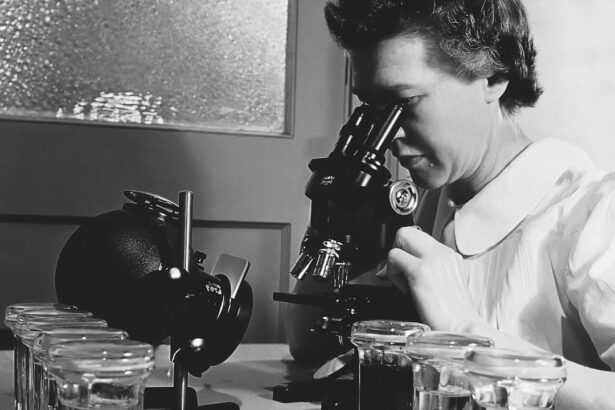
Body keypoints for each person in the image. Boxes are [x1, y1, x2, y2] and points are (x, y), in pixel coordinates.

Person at [287, 0, 615, 408]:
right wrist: (331, 213)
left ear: (493, 76)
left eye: (405, 102)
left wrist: (466, 332)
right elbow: (305, 344)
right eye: (372, 108)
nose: (388, 135)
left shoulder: (593, 215)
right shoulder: (424, 208)